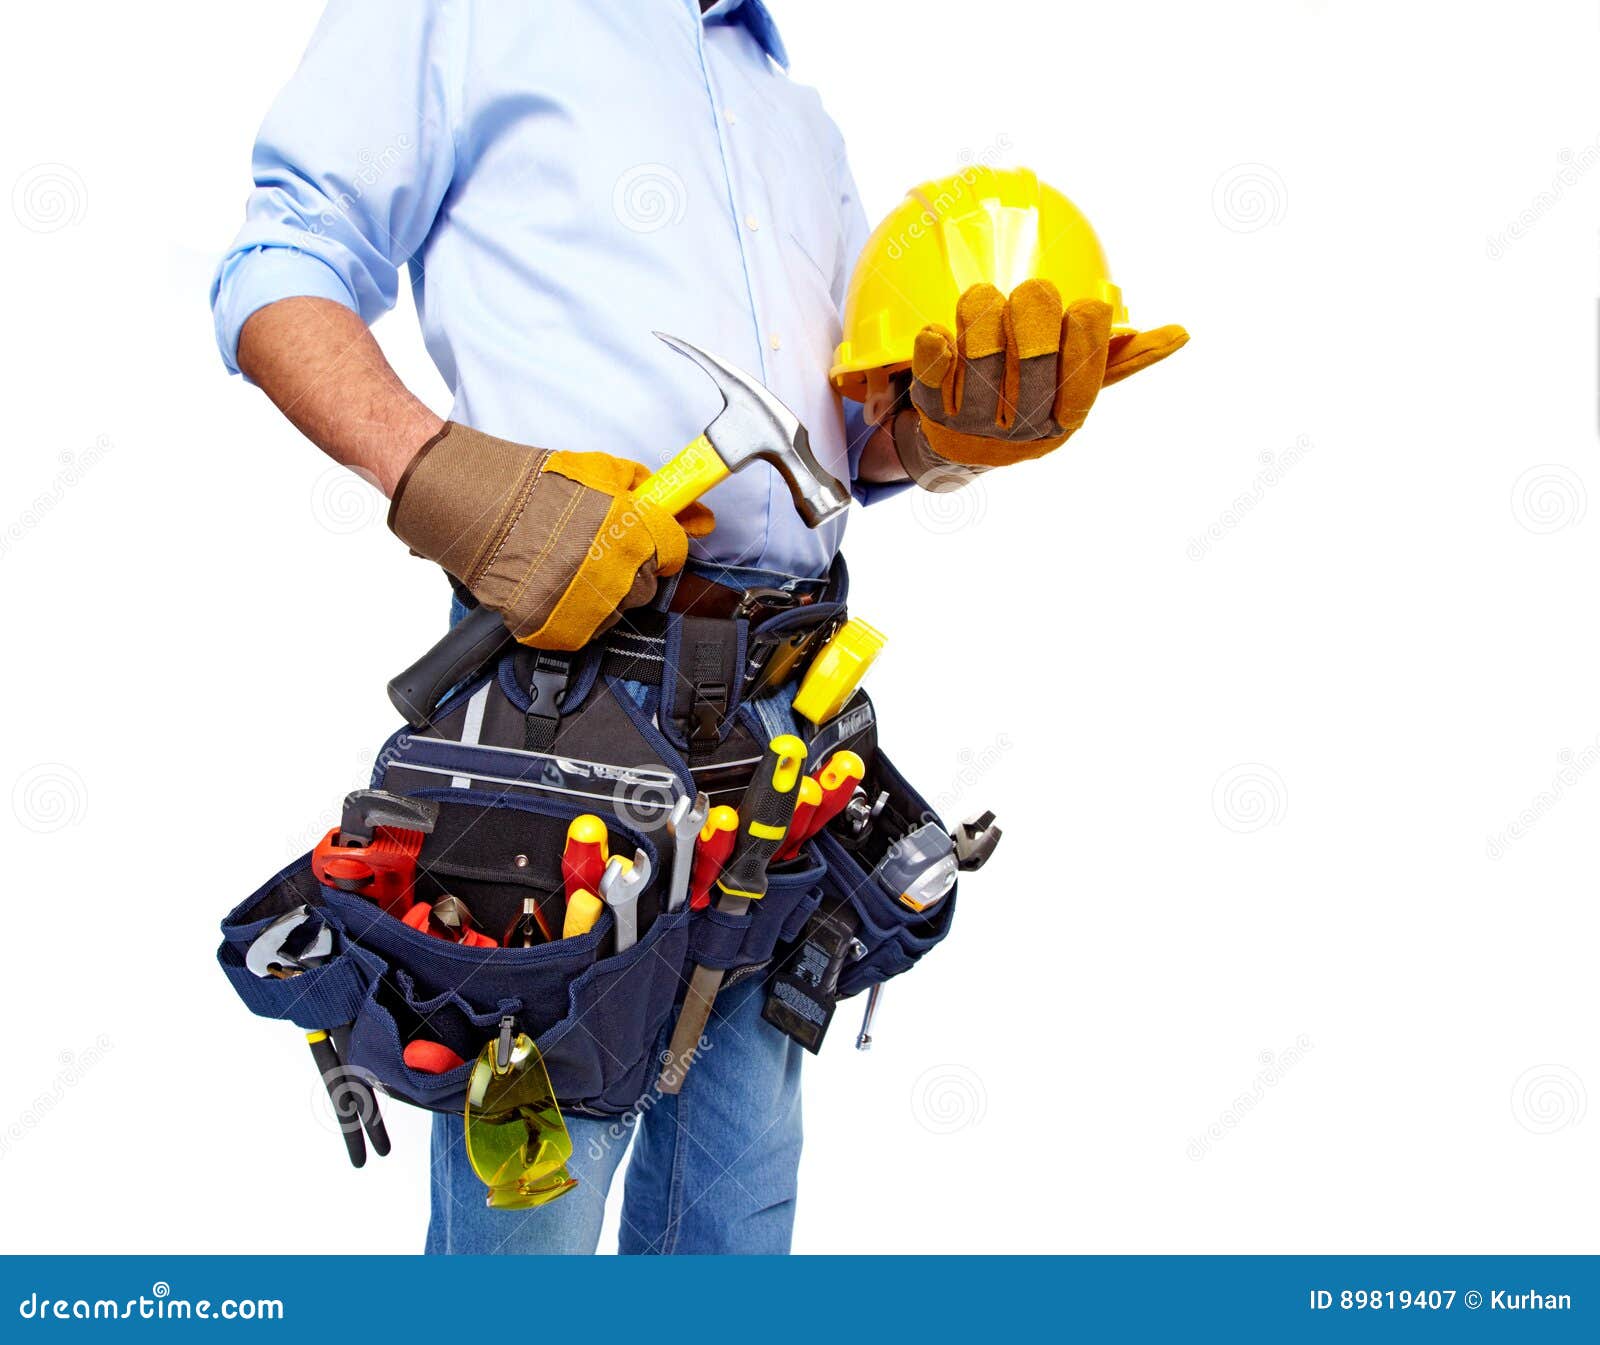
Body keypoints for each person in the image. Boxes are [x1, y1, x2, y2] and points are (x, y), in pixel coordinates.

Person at [211, 0, 1184, 1255]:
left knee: (734, 1211)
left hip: (786, 715)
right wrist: (449, 481)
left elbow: (836, 448)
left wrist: (946, 437)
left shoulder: (790, 105)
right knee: (535, 1225)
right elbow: (276, 265)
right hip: (568, 705)